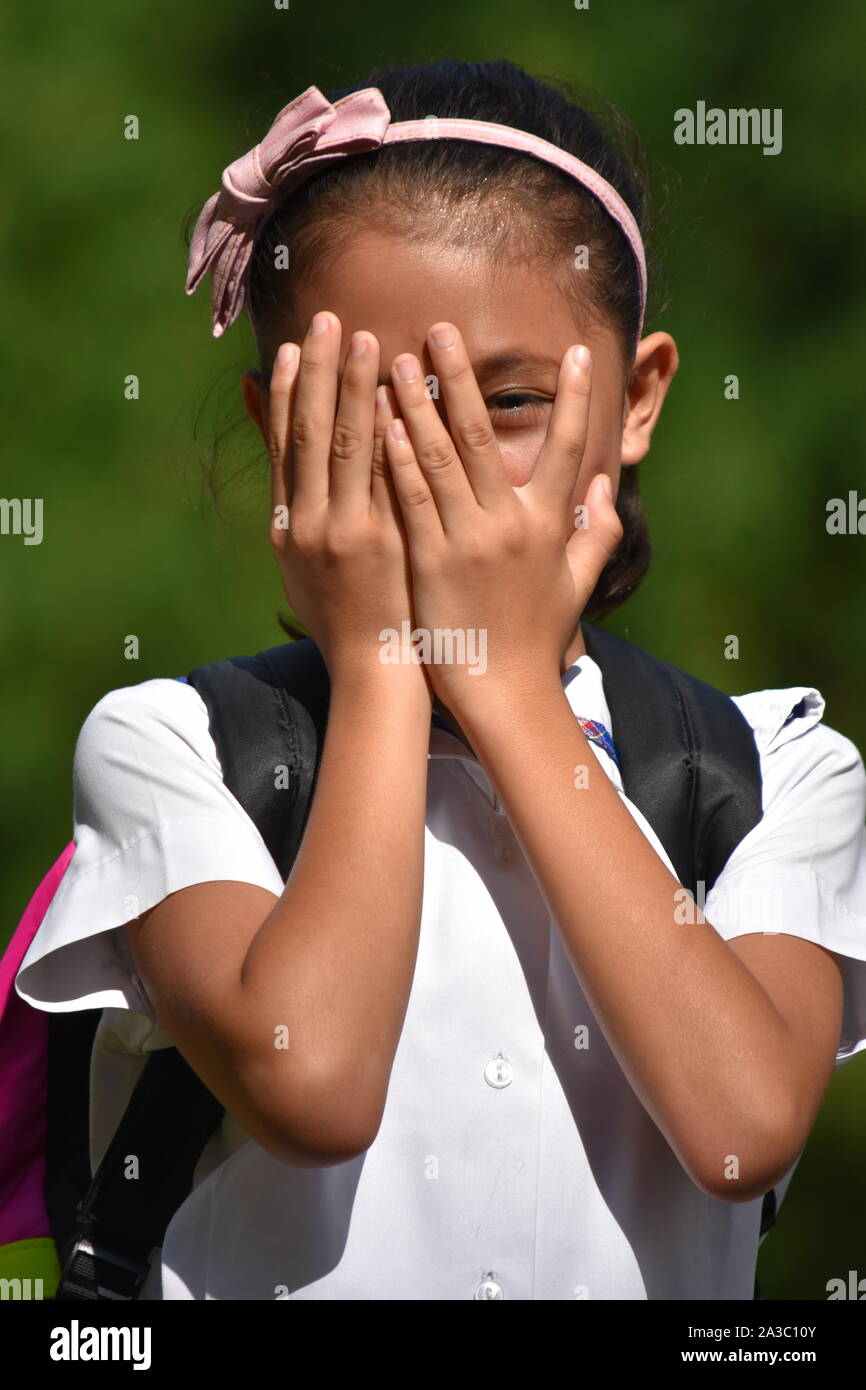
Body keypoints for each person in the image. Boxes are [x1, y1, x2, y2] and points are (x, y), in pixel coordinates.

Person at [16, 58, 866, 1301]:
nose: (437, 472)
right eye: (371, 411)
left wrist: (511, 693)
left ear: (634, 402)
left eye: (506, 403)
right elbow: (313, 1087)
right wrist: (379, 665)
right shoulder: (173, 746)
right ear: (276, 429)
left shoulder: (770, 765)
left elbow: (741, 1127)